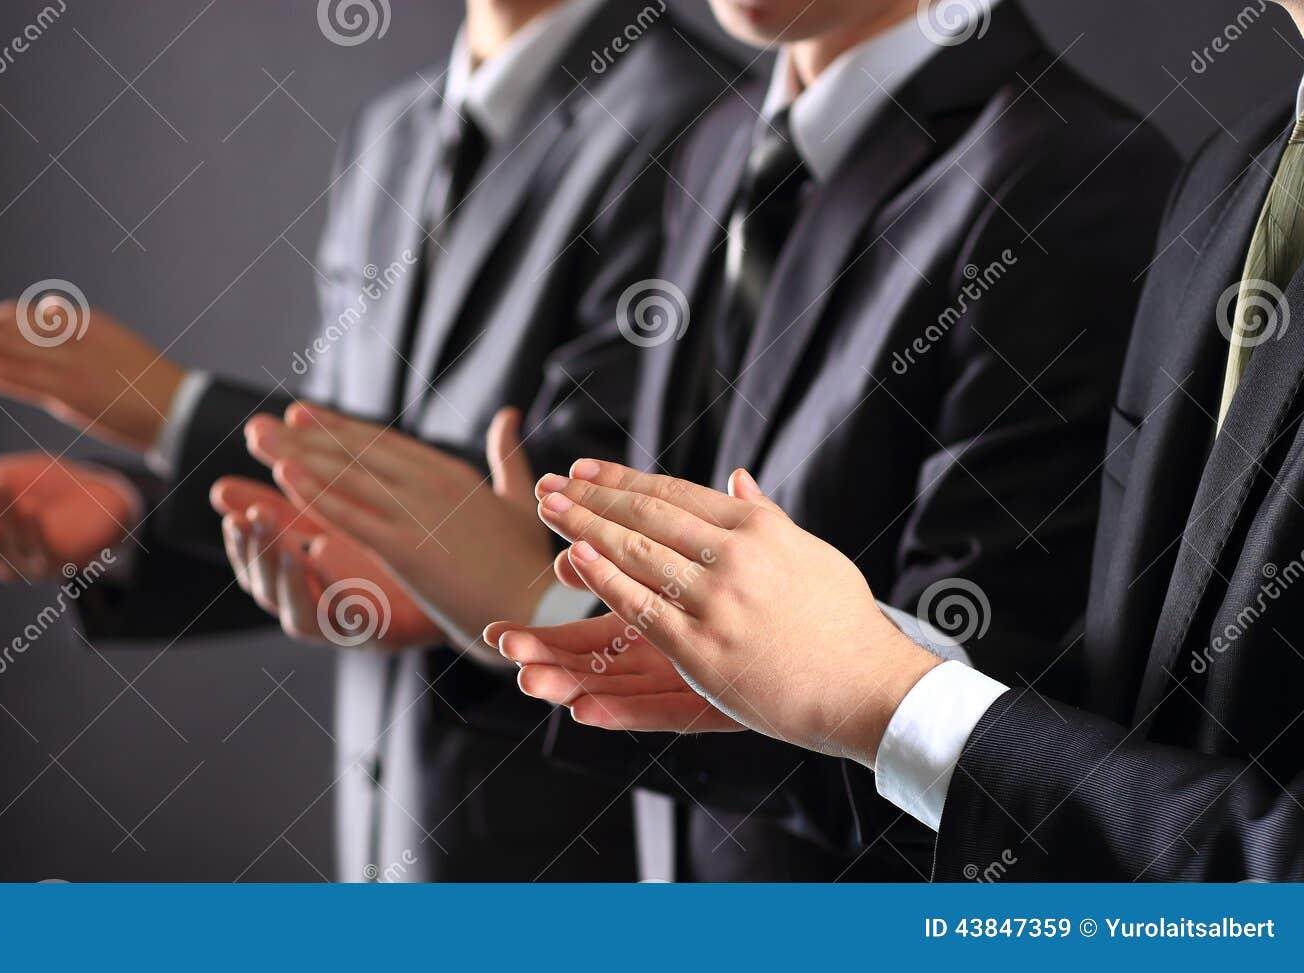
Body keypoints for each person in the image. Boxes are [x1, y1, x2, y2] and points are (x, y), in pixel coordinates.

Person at [239, 0, 1178, 880]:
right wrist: (540, 615)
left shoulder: (1077, 176)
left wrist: (548, 610)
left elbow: (989, 730)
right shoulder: (719, 140)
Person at [0, 0, 740, 882]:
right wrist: (134, 518)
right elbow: (364, 491)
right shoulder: (393, 131)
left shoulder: (705, 120)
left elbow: (570, 521)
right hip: (387, 848)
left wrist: (175, 410)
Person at [495, 0, 1304, 882]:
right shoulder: (1234, 177)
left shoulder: (1082, 169)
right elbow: (1111, 710)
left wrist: (890, 693)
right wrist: (808, 663)